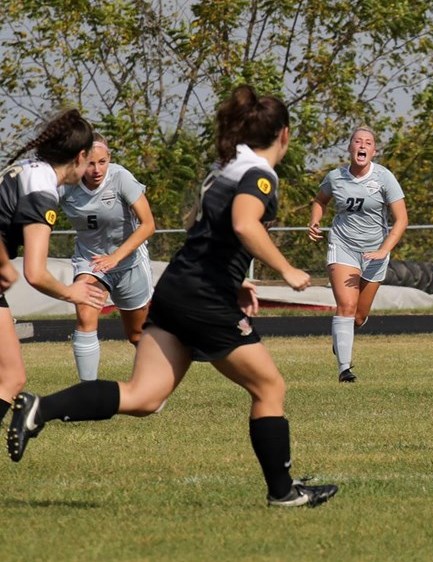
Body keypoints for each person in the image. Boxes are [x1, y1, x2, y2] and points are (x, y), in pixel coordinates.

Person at [7, 85, 339, 508]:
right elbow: (243, 225)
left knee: (144, 397)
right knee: (270, 387)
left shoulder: (226, 170)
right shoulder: (259, 174)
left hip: (177, 290)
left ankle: (41, 408)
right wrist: (287, 269)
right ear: (285, 136)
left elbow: (208, 236)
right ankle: (283, 493)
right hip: (204, 300)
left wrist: (236, 280)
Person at [0, 109, 107, 431]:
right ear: (80, 156)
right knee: (10, 377)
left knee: (12, 376)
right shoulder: (42, 189)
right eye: (90, 160)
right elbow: (36, 272)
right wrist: (71, 292)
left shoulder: (25, 171)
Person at [307, 126, 408, 383]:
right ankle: (344, 369)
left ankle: (342, 339)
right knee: (347, 306)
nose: (362, 145)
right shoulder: (335, 177)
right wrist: (315, 221)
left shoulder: (385, 178)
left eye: (368, 142)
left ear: (373, 151)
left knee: (359, 316)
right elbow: (320, 201)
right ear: (350, 147)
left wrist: (384, 250)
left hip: (375, 251)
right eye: (358, 141)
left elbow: (401, 220)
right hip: (343, 246)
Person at [59, 133, 156, 381]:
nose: (96, 169)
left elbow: (148, 225)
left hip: (130, 262)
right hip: (91, 262)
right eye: (90, 163)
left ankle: (152, 385)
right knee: (85, 311)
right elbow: (35, 209)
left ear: (109, 158)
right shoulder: (65, 185)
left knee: (137, 334)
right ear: (79, 160)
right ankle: (88, 391)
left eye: (102, 162)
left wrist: (116, 257)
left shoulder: (121, 177)